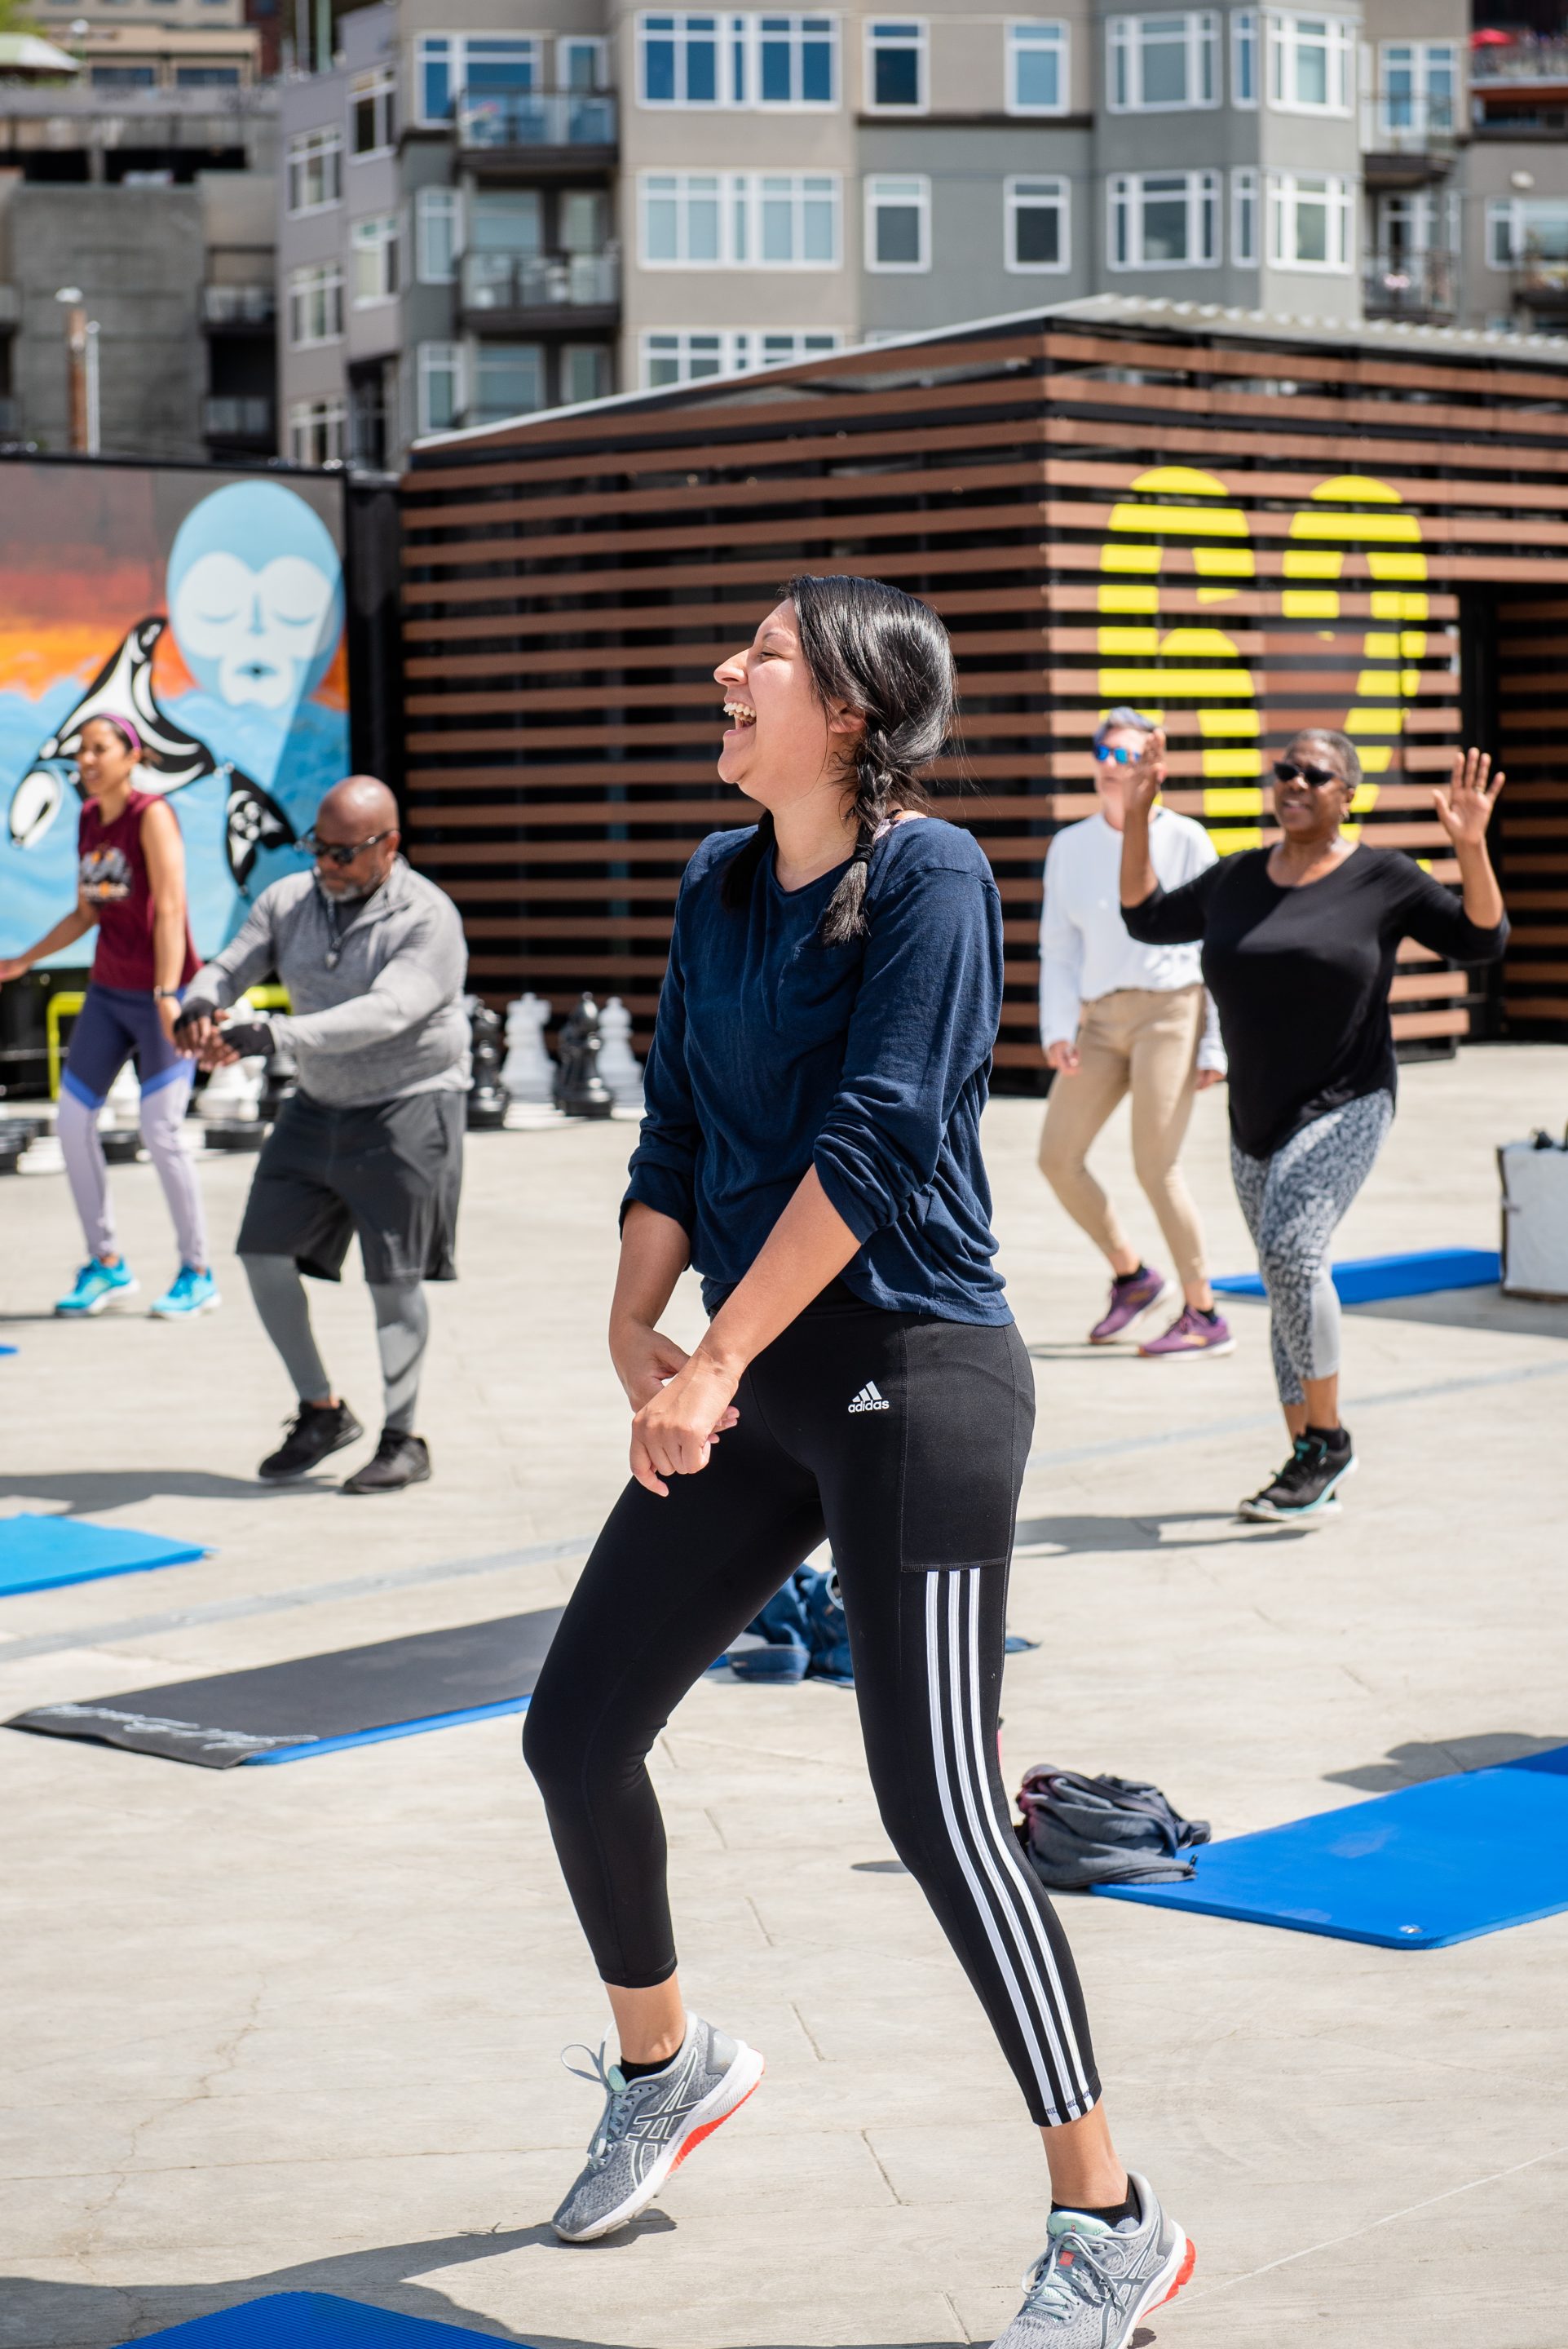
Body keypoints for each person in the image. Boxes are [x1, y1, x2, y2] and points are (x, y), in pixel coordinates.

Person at [521, 577, 1194, 2349]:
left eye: (761, 655)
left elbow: (890, 1130)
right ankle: (666, 2067)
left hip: (915, 1364)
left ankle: (1108, 2221)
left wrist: (719, 1353)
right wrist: (631, 1331)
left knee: (938, 1802)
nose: (725, 674)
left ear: (851, 714)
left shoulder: (928, 876)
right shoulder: (717, 881)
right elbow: (675, 1118)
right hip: (748, 1378)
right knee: (575, 1733)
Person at [1121, 728, 1507, 1522]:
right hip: (1254, 1116)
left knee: (1296, 1256)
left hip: (1350, 1100)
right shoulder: (1234, 880)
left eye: (1315, 773)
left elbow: (1481, 941)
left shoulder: (1383, 879)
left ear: (1347, 794)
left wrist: (1470, 847)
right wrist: (1136, 819)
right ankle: (1307, 1459)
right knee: (1283, 1282)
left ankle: (1327, 1441)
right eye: (1285, 769)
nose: (1294, 781)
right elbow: (1146, 918)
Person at [176, 776, 468, 1494]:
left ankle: (404, 1438)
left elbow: (385, 1011)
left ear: (388, 846)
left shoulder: (427, 917)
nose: (328, 865)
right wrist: (200, 1000)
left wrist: (268, 1033)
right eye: (318, 849)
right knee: (262, 1253)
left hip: (408, 1104)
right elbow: (231, 961)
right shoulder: (289, 900)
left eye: (344, 853)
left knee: (393, 1279)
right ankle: (321, 1412)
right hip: (318, 1105)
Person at [0, 714, 216, 1320]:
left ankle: (197, 1271)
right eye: (81, 752)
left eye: (100, 749)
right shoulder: (89, 819)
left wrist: (169, 993)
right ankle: (106, 1263)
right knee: (71, 1123)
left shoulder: (153, 816)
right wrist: (23, 960)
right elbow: (86, 913)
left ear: (133, 755)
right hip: (107, 994)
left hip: (157, 1000)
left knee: (161, 1132)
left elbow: (171, 909)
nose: (86, 761)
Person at [1038, 706, 1233, 1357]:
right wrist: (1058, 1026)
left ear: (1155, 769)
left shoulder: (1185, 839)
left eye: (1129, 756)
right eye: (1106, 753)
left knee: (1156, 1165)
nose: (1114, 766)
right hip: (1099, 1020)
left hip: (1170, 1010)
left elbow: (1215, 947)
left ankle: (1203, 1312)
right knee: (1056, 1158)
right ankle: (1132, 1274)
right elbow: (1058, 949)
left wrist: (1214, 1044)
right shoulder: (1069, 846)